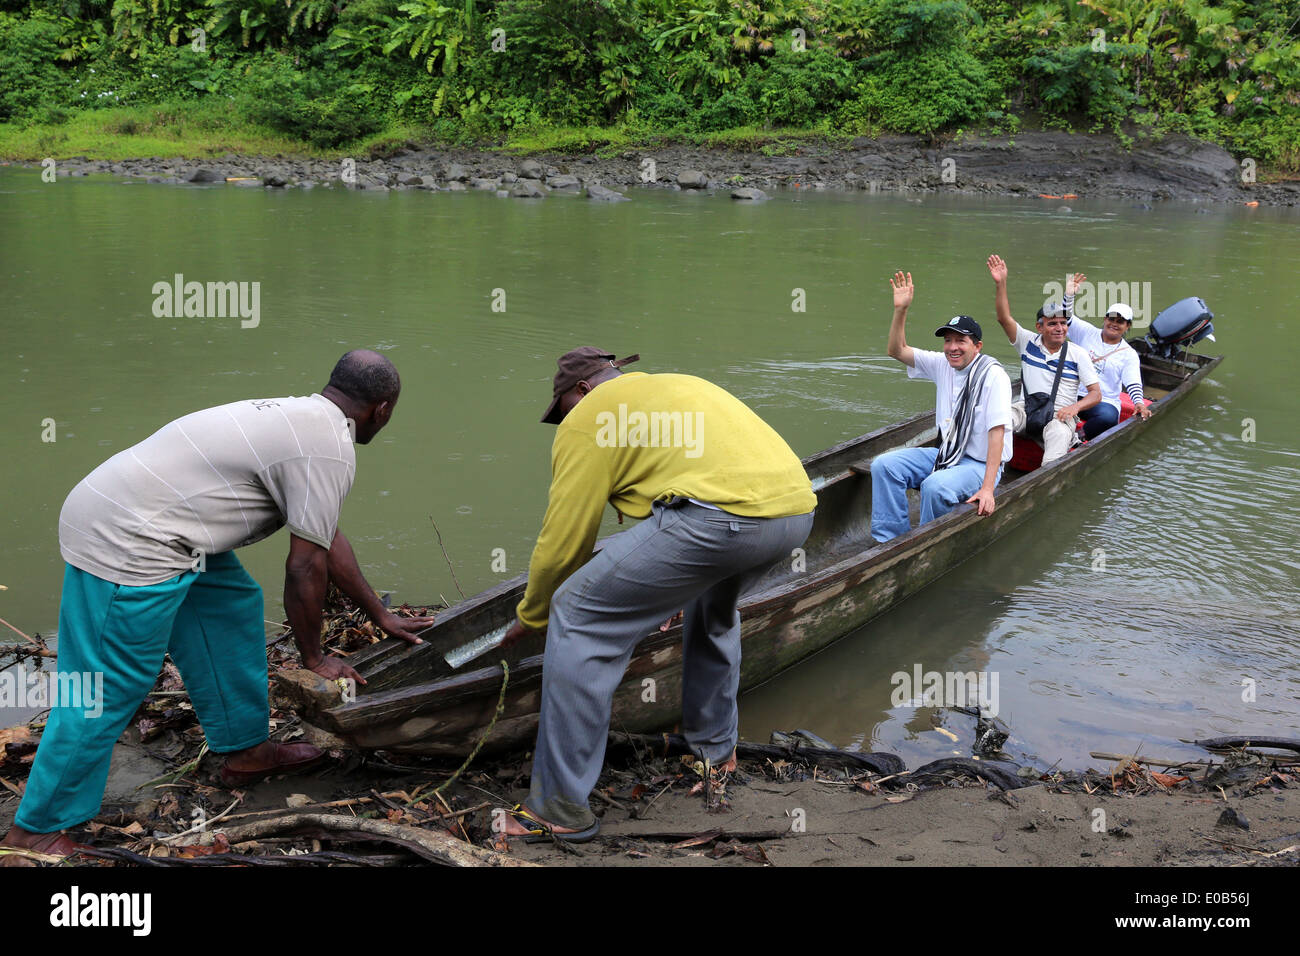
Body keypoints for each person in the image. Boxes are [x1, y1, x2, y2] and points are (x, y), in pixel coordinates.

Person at [0, 350, 433, 866]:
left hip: (167, 527)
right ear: (382, 410)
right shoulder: (328, 448)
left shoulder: (304, 421)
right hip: (128, 537)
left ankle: (246, 751)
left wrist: (378, 613)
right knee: (106, 686)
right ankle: (36, 829)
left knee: (229, 607)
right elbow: (303, 569)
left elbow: (323, 535)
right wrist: (315, 658)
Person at [497, 347, 816, 841]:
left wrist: (533, 615)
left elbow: (564, 542)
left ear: (580, 392)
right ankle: (715, 753)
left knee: (577, 613)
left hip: (718, 522)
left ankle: (557, 809)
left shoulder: (588, 418)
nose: (564, 421)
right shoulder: (676, 385)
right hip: (795, 514)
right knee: (713, 608)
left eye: (560, 409)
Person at [870, 271, 1013, 543]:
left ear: (977, 346)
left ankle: (925, 545)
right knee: (884, 466)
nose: (952, 347)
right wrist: (901, 310)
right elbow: (896, 350)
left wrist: (987, 489)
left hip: (980, 465)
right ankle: (890, 543)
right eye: (948, 340)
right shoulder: (942, 364)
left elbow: (998, 433)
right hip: (947, 455)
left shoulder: (994, 376)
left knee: (934, 487)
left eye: (961, 341)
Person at [987, 255, 1101, 464]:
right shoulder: (1027, 342)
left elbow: (1096, 395)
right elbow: (1004, 318)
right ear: (1040, 327)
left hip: (1060, 415)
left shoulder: (1078, 354)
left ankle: (1043, 482)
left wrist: (1074, 408)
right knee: (996, 419)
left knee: (1058, 436)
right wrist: (1001, 283)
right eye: (1052, 324)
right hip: (1026, 408)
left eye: (1063, 323)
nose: (1059, 328)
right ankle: (982, 470)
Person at [1061, 271, 1152, 439]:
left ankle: (1077, 438)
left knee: (1108, 418)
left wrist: (1138, 402)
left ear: (1127, 326)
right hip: (1073, 393)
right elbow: (1066, 318)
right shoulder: (1087, 332)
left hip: (1102, 402)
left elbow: (1132, 382)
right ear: (1105, 319)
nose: (1114, 324)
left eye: (1120, 322)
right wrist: (1069, 296)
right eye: (1111, 319)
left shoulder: (1129, 354)